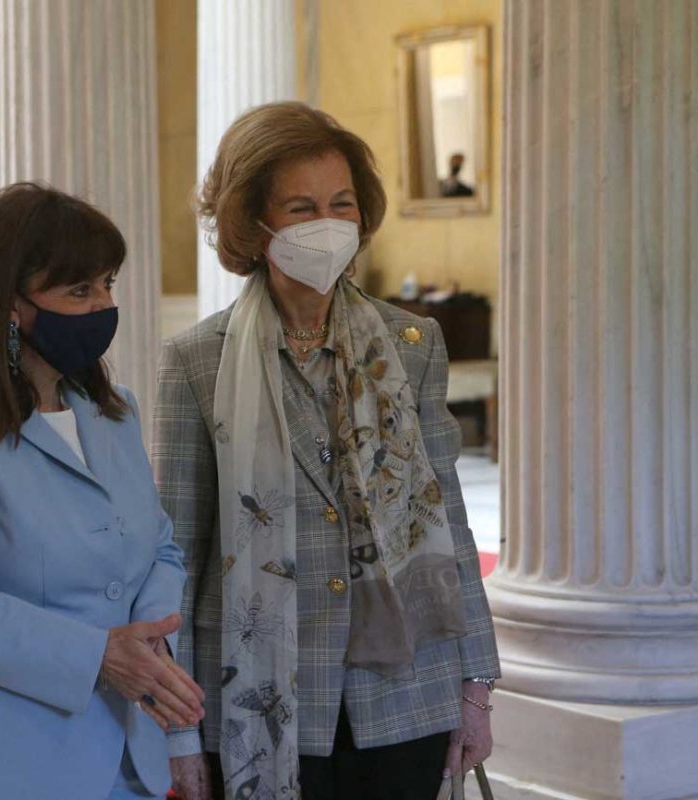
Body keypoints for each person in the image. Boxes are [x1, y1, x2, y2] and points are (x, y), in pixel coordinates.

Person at [153, 102, 500, 800]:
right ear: (255, 226)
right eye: (302, 207)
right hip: (265, 699)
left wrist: (475, 688)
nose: (328, 224)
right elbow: (180, 560)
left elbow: (449, 521)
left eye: (342, 204)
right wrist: (179, 735)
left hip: (406, 691)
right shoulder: (196, 363)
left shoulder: (413, 345)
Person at [0, 182, 205, 800]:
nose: (103, 305)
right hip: (4, 762)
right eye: (80, 290)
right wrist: (97, 655)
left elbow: (159, 547)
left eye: (108, 283)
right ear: (11, 304)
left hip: (126, 751)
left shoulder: (116, 414)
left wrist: (142, 644)